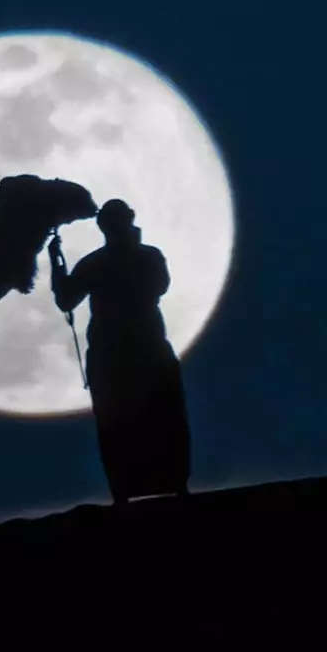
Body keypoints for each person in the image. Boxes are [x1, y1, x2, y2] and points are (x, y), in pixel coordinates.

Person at [49, 199, 191, 504]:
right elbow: (66, 299)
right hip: (124, 349)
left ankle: (156, 485)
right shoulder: (128, 258)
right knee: (126, 422)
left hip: (132, 347)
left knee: (151, 418)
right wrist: (55, 264)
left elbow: (66, 298)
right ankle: (136, 488)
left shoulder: (117, 260)